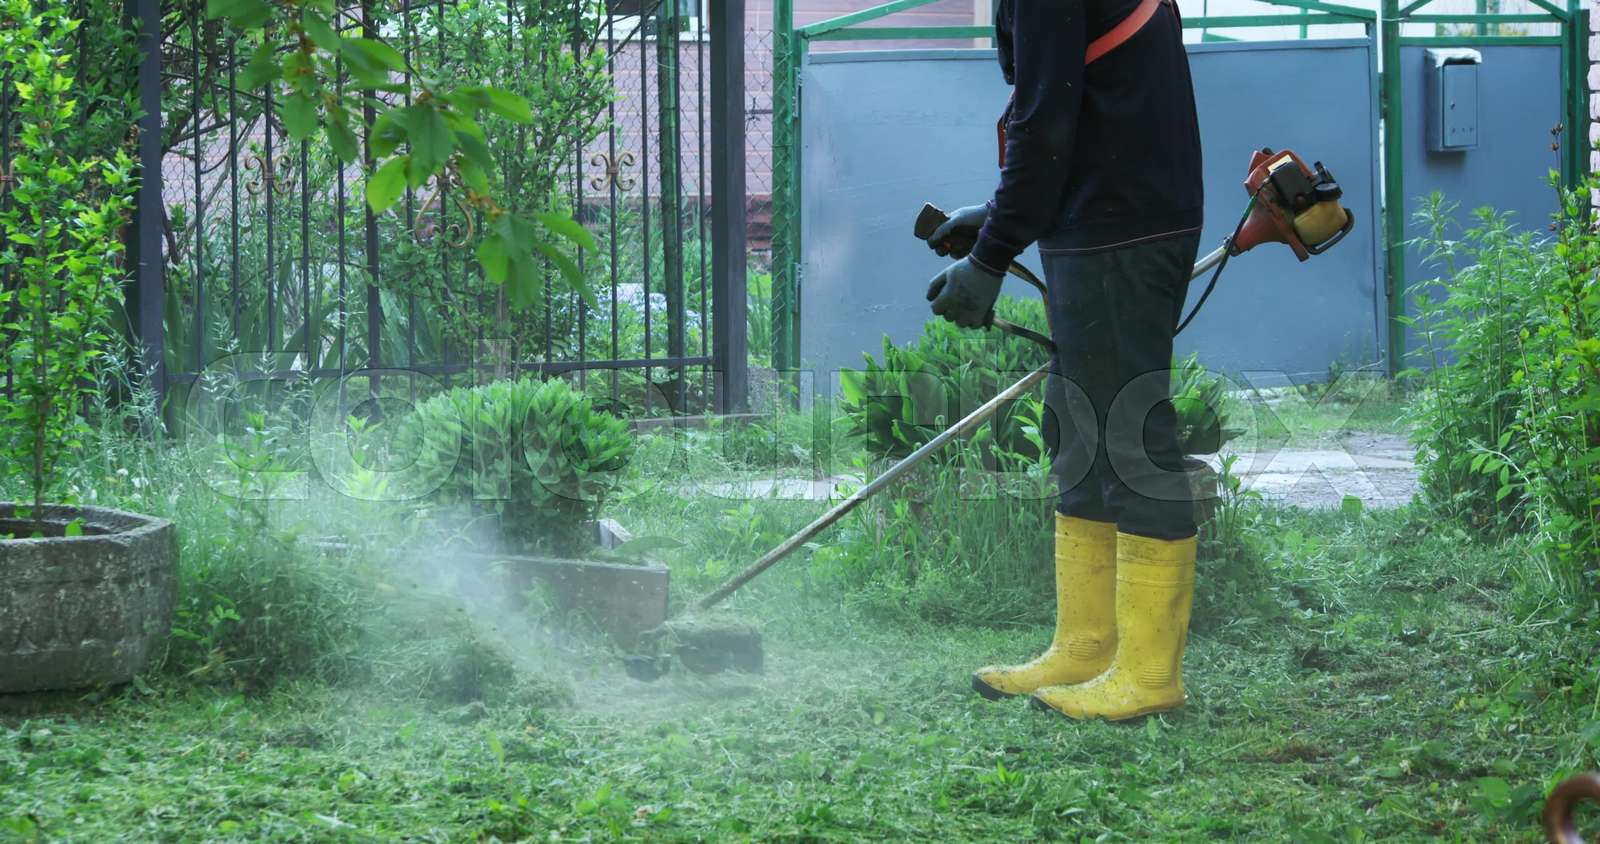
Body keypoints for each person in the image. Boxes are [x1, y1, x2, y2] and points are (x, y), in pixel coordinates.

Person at [924, 0, 1204, 720]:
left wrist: (990, 258)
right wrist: (997, 217)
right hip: (1103, 218)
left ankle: (1147, 675)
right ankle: (1086, 647)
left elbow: (1045, 124)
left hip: (1120, 227)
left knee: (1128, 433)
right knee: (1078, 431)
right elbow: (1088, 108)